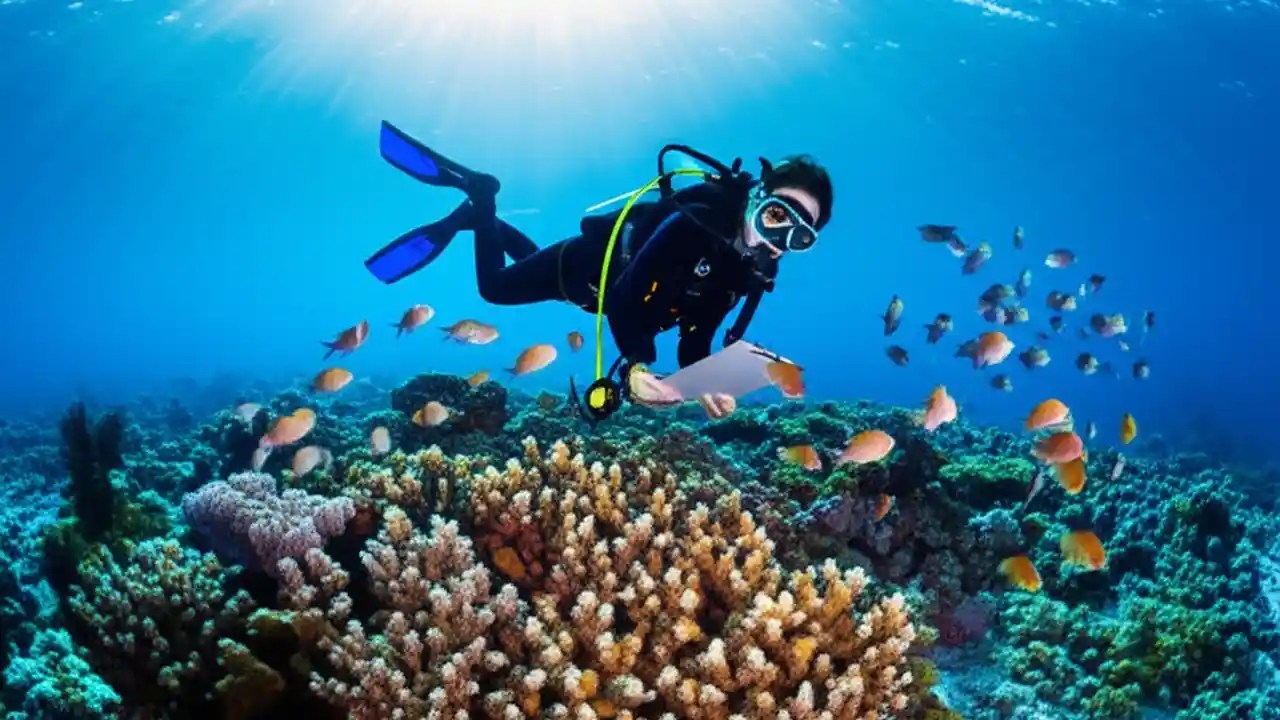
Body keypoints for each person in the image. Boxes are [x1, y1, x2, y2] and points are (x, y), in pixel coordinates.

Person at [367, 121, 833, 419]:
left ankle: (485, 222)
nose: (776, 239)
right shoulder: (694, 223)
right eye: (776, 215)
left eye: (798, 235)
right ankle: (482, 198)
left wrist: (706, 381)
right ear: (757, 198)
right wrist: (635, 365)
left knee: (529, 268)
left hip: (594, 295)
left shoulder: (743, 276)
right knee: (495, 289)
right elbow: (628, 296)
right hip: (582, 270)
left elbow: (697, 335)